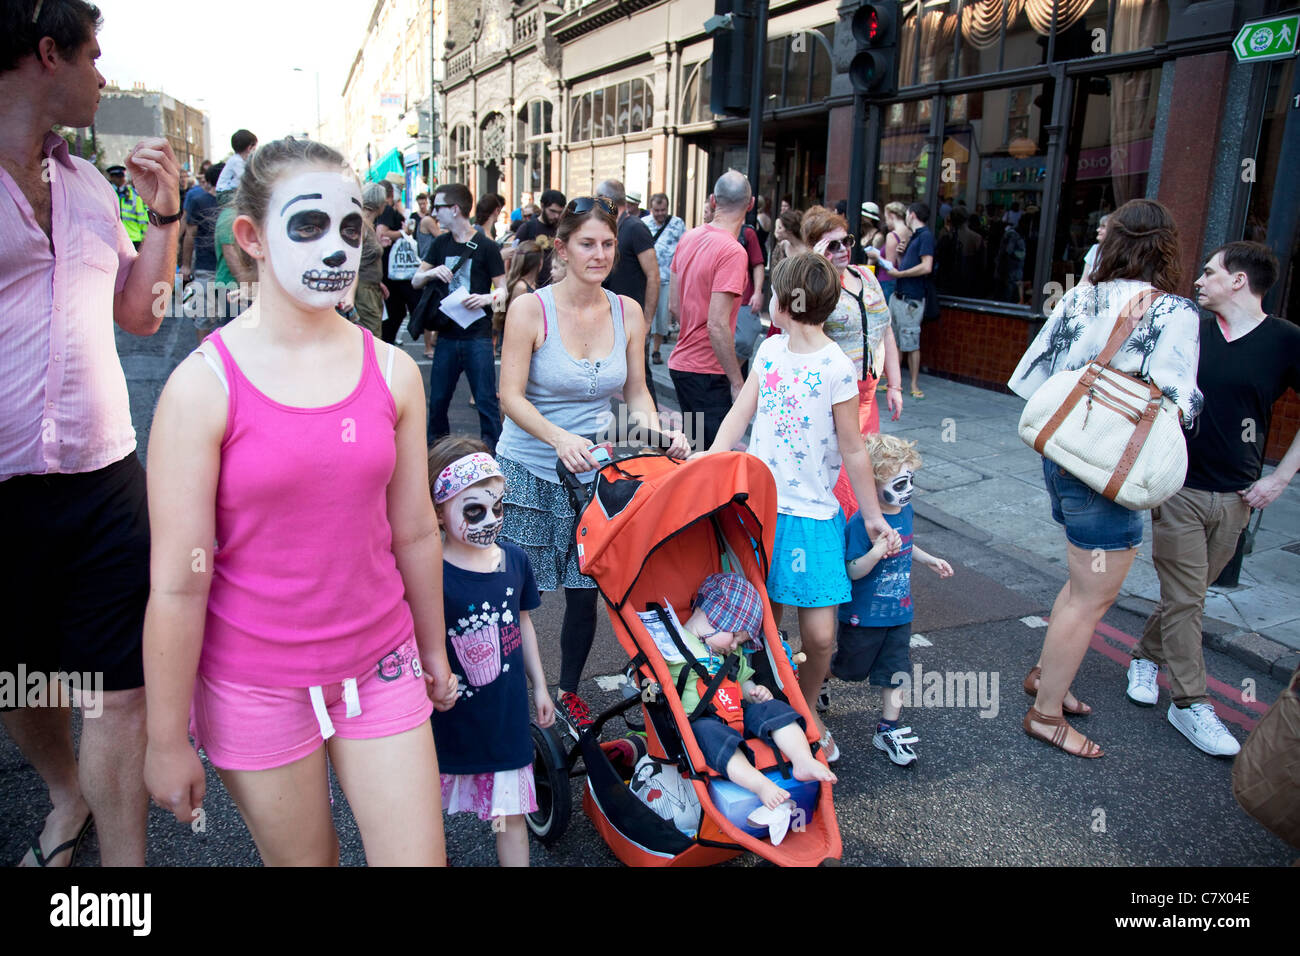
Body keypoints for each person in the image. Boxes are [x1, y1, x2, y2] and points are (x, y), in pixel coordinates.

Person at [142, 138, 458, 866]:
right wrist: (163, 740)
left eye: (350, 228)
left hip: (381, 667)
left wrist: (432, 648)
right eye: (309, 225)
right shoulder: (201, 387)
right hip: (252, 687)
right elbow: (179, 582)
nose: (337, 247)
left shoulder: (393, 372)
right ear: (251, 237)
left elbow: (415, 531)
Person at [0, 0, 182, 868]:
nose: (103, 77)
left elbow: (142, 315)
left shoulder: (90, 188)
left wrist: (165, 220)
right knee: (22, 676)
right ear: (49, 53)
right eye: (93, 56)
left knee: (120, 690)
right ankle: (64, 793)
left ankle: (122, 882)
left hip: (106, 471)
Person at [1008, 198, 1203, 759]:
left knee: (1079, 583)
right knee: (1092, 598)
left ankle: (1046, 676)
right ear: (1166, 248)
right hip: (1110, 468)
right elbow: (1181, 401)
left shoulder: (1080, 295)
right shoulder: (1174, 310)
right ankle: (1046, 714)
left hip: (1064, 454)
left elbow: (1033, 375)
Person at [496, 196, 689, 734]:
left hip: (592, 474)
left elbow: (637, 391)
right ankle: (506, 695)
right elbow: (509, 396)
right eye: (587, 244)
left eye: (607, 244)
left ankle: (567, 695)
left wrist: (657, 435)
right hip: (529, 470)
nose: (599, 254)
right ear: (562, 249)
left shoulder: (627, 311)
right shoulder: (530, 310)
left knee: (585, 594)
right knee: (517, 595)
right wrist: (558, 438)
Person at [703, 253, 900, 762]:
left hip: (814, 519)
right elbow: (740, 413)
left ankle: (806, 709)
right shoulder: (769, 351)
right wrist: (712, 457)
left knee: (820, 635)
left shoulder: (837, 366)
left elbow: (853, 447)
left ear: (786, 304)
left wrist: (872, 513)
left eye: (772, 292)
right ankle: (761, 706)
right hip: (759, 512)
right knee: (759, 625)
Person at [1127, 241, 1300, 756]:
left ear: (1239, 280)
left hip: (1240, 495)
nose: (1198, 280)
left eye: (1209, 272)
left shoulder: (1286, 340)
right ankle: (1190, 704)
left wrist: (1280, 479)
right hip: (1178, 486)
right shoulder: (1188, 329)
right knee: (1187, 598)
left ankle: (1144, 656)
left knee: (1188, 597)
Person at [426, 438, 553, 866]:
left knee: (509, 816)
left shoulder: (515, 561)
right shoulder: (429, 571)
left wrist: (540, 686)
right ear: (438, 512)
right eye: (474, 511)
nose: (491, 520)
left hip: (505, 718)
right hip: (448, 721)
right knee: (426, 814)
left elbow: (523, 622)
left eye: (498, 507)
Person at [666, 573, 836, 844]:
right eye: (734, 635)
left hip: (737, 710)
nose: (735, 646)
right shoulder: (673, 644)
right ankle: (761, 785)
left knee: (774, 708)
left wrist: (754, 692)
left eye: (740, 641)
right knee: (711, 733)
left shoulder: (730, 652)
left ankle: (803, 760)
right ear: (713, 616)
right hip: (701, 720)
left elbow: (742, 680)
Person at [833, 434, 953, 766]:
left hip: (899, 613)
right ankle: (819, 679)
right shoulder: (861, 523)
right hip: (862, 616)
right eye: (899, 483)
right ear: (870, 485)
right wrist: (876, 552)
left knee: (896, 671)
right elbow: (852, 570)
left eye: (910, 479)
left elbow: (906, 544)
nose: (908, 489)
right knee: (850, 670)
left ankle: (887, 729)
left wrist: (928, 559)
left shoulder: (905, 510)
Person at [413, 182, 507, 449]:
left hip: (477, 335)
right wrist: (432, 272)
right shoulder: (440, 244)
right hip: (446, 335)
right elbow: (416, 280)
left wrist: (486, 298)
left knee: (486, 402)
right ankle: (437, 455)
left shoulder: (486, 246)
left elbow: (503, 291)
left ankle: (495, 457)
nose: (434, 213)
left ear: (455, 209)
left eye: (438, 207)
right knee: (438, 401)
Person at [803, 204, 903, 444]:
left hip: (868, 394)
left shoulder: (866, 276)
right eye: (832, 245)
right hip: (832, 395)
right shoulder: (814, 285)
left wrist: (895, 386)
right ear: (816, 248)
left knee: (866, 457)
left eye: (846, 241)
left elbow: (886, 331)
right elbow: (804, 330)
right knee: (842, 461)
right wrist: (818, 268)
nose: (842, 249)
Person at [668, 170, 753, 450]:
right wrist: (737, 382)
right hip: (707, 371)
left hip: (683, 365)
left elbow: (674, 306)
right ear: (751, 204)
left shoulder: (689, 237)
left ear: (713, 200)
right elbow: (716, 325)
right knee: (713, 458)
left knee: (697, 453)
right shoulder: (733, 252)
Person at [598, 178, 660, 405]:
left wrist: (647, 321)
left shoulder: (635, 228)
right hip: (610, 318)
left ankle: (652, 426)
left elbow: (654, 275)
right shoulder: (611, 227)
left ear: (606, 200)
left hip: (631, 320)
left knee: (640, 379)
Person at [884, 202, 934, 399]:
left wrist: (901, 273)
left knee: (911, 342)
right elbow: (906, 265)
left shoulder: (926, 236)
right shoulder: (916, 236)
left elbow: (927, 266)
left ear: (911, 215)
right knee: (897, 341)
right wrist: (900, 256)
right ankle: (895, 383)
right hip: (900, 295)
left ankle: (913, 384)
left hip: (911, 298)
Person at [643, 192, 686, 365]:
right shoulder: (643, 224)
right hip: (647, 279)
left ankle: (656, 350)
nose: (660, 213)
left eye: (663, 210)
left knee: (661, 317)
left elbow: (684, 247)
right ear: (651, 209)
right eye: (657, 210)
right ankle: (643, 350)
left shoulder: (677, 224)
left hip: (668, 279)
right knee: (647, 316)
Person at [183, 161, 223, 344]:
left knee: (221, 315)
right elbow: (190, 234)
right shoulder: (199, 200)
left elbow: (189, 235)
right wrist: (185, 265)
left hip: (225, 269)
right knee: (205, 314)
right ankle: (203, 351)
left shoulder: (236, 203)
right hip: (207, 267)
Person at [349, 181, 387, 338]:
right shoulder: (362, 225)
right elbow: (353, 261)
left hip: (371, 287)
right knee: (370, 336)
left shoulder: (367, 224)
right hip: (363, 291)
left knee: (371, 334)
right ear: (379, 203)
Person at [513, 188, 565, 285]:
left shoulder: (562, 229)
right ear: (542, 206)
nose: (556, 216)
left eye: (559, 212)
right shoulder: (527, 228)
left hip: (556, 285)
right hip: (531, 285)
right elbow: (513, 255)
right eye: (552, 211)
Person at [867, 201, 909, 306]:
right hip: (901, 282)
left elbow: (890, 266)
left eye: (886, 218)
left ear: (891, 216)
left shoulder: (892, 235)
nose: (886, 222)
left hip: (887, 281)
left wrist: (876, 256)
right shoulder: (910, 232)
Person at [107, 163, 147, 248]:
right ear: (111, 177)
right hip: (112, 238)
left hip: (133, 237)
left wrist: (145, 235)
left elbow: (142, 217)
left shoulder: (134, 195)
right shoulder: (106, 193)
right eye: (118, 176)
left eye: (122, 176)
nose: (121, 179)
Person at [214, 127, 256, 196]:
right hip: (225, 192)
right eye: (254, 149)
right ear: (249, 148)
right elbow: (246, 178)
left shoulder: (238, 160)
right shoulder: (236, 161)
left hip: (229, 191)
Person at [1079, 213, 1109, 286]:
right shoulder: (1095, 249)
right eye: (1099, 226)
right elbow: (1083, 281)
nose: (1098, 230)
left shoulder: (1120, 253)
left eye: (1103, 227)